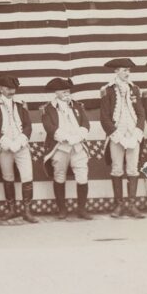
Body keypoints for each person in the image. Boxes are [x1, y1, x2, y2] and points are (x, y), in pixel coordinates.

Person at [0, 74, 37, 223]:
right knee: (8, 177)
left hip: (22, 145)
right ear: (1, 88)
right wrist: (7, 143)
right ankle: (11, 210)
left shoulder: (21, 104)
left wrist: (20, 141)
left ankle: (27, 211)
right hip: (4, 147)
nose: (12, 92)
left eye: (14, 88)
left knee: (27, 176)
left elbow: (28, 126)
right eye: (8, 89)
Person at [99, 58, 147, 218]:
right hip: (116, 134)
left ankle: (132, 205)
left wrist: (138, 131)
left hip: (133, 133)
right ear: (116, 71)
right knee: (117, 168)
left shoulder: (135, 89)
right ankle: (119, 205)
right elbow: (104, 117)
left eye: (128, 70)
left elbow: (141, 113)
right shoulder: (107, 90)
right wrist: (115, 134)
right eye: (124, 70)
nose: (127, 73)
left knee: (133, 169)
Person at [41, 77, 93, 220]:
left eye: (67, 90)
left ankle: (81, 209)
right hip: (60, 147)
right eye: (62, 90)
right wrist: (66, 138)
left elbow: (85, 124)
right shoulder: (48, 108)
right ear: (55, 92)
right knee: (59, 175)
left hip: (78, 146)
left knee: (82, 176)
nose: (66, 93)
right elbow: (49, 128)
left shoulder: (77, 106)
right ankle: (62, 210)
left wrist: (78, 137)